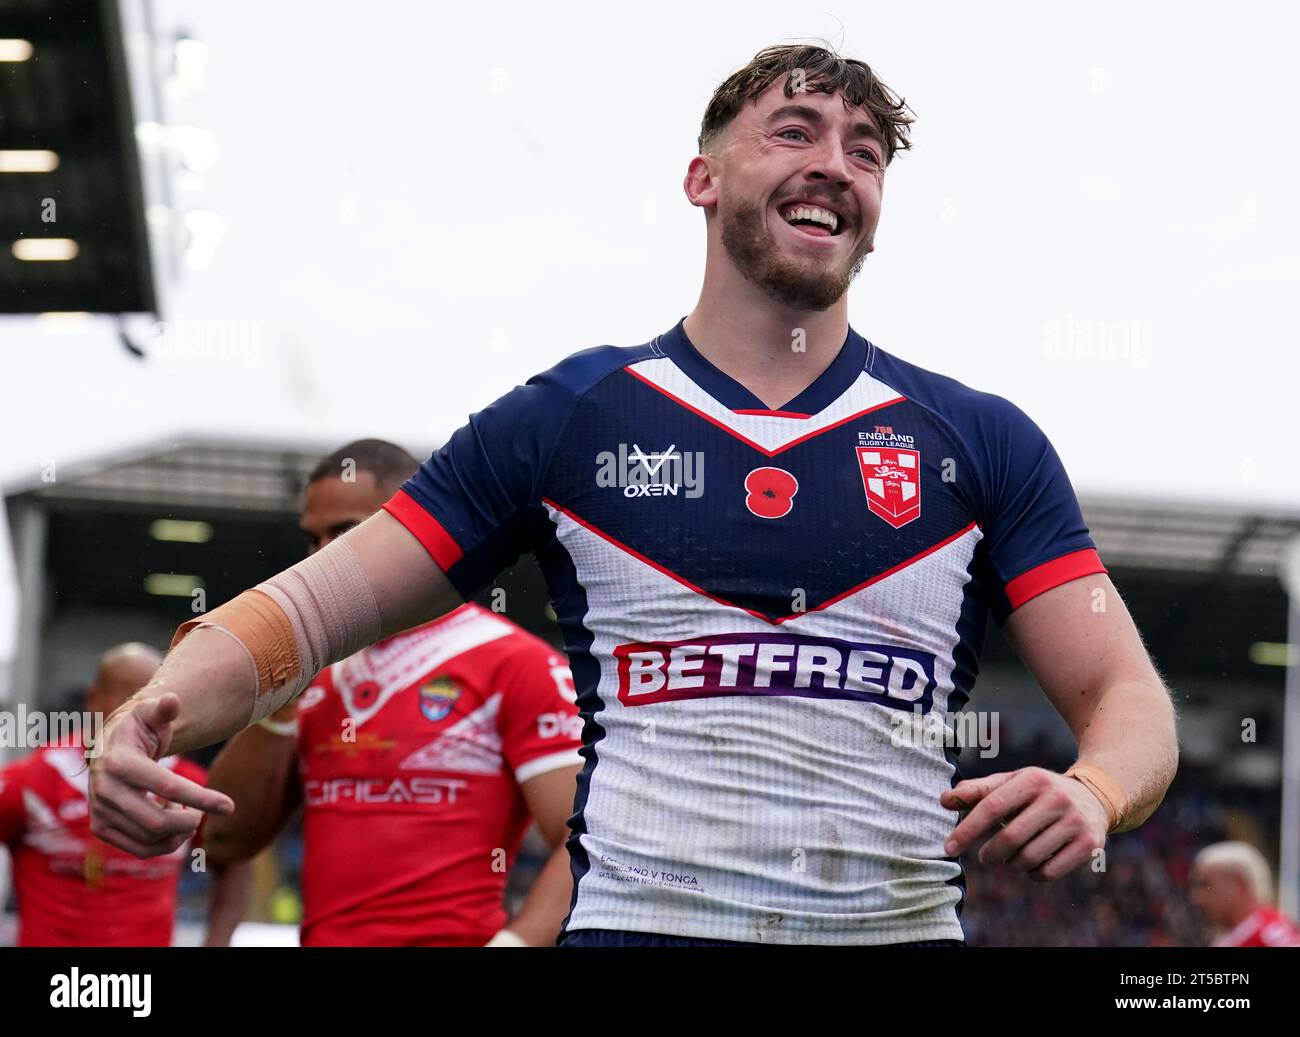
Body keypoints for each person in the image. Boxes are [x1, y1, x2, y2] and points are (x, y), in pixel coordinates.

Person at [88, 42, 1178, 946]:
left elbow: (1127, 699)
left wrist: (1091, 788)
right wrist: (151, 718)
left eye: (867, 151)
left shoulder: (980, 441)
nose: (836, 165)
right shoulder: (569, 417)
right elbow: (308, 609)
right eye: (793, 131)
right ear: (701, 179)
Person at [200, 440, 583, 946]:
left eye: (344, 532)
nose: (323, 557)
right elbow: (225, 841)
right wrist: (281, 704)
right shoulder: (312, 670)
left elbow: (584, 839)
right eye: (313, 539)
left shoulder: (515, 663)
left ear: (411, 522)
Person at [0, 644, 248, 946]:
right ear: (93, 700)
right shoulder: (32, 780)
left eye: (155, 699)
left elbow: (233, 861)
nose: (145, 710)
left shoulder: (186, 785)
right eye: (131, 697)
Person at [1190, 841, 1300, 947]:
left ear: (1239, 884)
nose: (1197, 898)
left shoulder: (1269, 933)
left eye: (1206, 885)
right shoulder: (1235, 936)